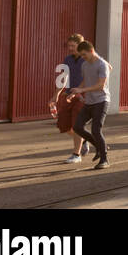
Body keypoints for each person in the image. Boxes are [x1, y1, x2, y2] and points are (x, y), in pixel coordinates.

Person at [68, 40, 111, 169]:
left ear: (91, 51)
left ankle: (104, 160)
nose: (83, 57)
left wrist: (82, 90)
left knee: (96, 130)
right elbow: (85, 81)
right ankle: (99, 146)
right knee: (77, 127)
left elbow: (100, 85)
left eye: (84, 55)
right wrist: (76, 91)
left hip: (101, 101)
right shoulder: (85, 65)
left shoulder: (102, 65)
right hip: (89, 101)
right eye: (81, 55)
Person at [50, 33, 90, 162]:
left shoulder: (88, 59)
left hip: (82, 96)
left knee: (77, 124)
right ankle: (83, 140)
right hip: (68, 95)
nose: (70, 48)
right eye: (69, 46)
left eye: (73, 46)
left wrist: (83, 90)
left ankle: (76, 155)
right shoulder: (67, 59)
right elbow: (63, 79)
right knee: (64, 125)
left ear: (80, 45)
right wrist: (55, 95)